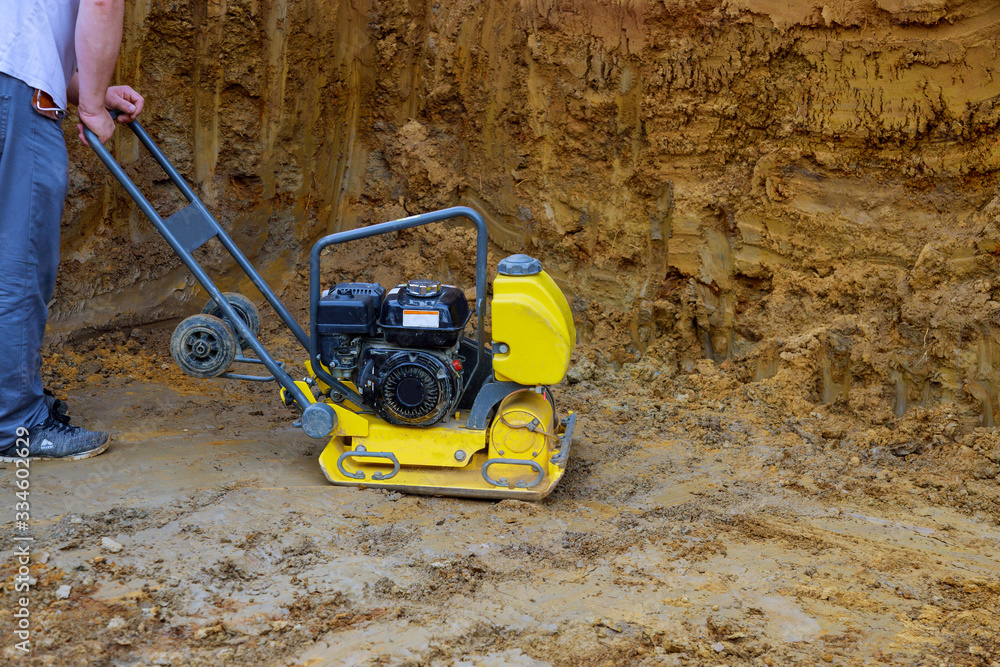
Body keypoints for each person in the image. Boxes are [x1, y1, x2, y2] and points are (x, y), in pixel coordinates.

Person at [0, 0, 144, 461]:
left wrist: (87, 89)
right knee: (18, 257)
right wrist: (97, 107)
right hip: (13, 96)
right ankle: (14, 426)